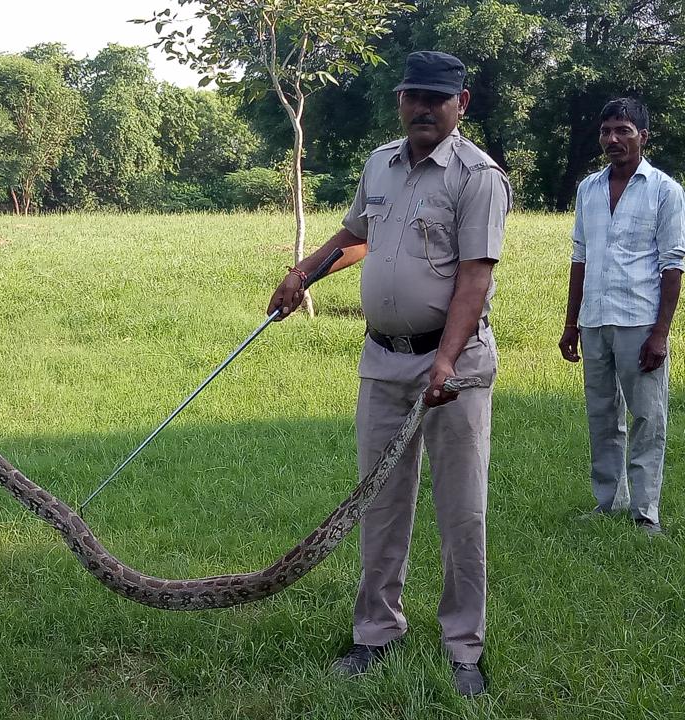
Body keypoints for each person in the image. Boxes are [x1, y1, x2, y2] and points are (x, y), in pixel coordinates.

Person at [267, 51, 510, 696]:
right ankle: (377, 631)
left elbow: (474, 278)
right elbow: (355, 236)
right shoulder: (380, 163)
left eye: (438, 97)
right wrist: (304, 273)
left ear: (461, 104)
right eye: (413, 97)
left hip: (452, 366)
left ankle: (464, 647)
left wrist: (448, 359)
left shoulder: (478, 176)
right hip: (382, 359)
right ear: (400, 100)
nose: (424, 108)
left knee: (462, 511)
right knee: (378, 501)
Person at [558, 98, 684, 536]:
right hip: (595, 319)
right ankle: (608, 502)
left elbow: (673, 265)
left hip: (640, 322)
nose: (613, 139)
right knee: (602, 415)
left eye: (623, 131)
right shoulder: (588, 189)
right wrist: (571, 323)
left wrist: (660, 334)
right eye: (607, 131)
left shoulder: (665, 190)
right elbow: (580, 257)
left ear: (643, 136)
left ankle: (645, 512)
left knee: (648, 418)